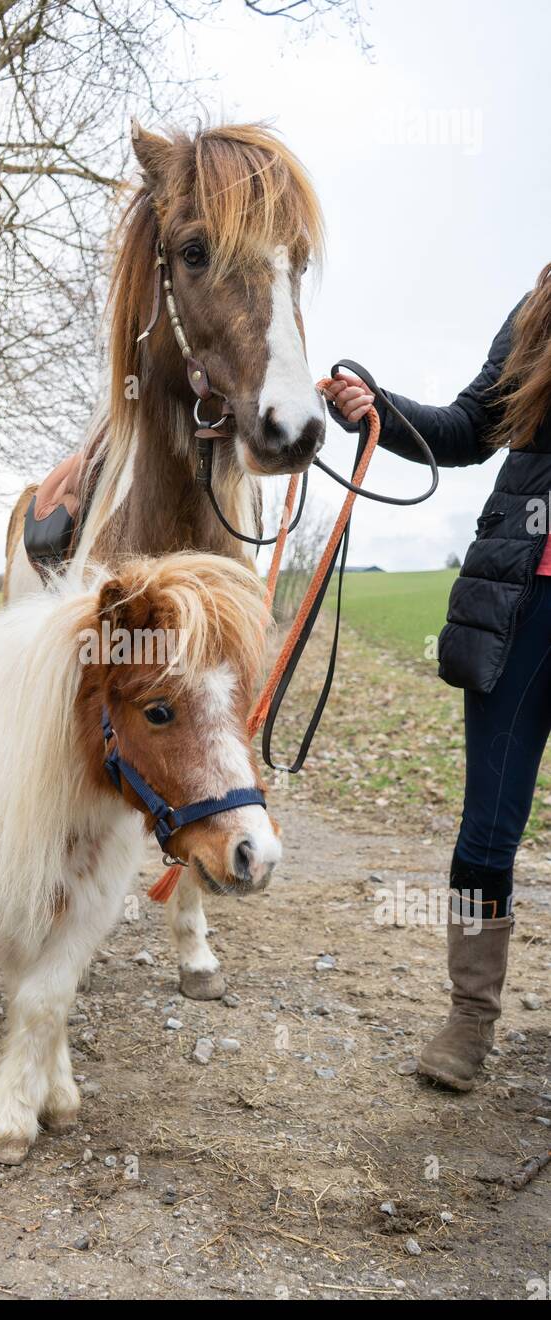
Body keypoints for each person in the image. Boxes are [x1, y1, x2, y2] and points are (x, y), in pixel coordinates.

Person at [325, 263, 551, 1090]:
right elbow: (466, 429)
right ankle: (470, 1016)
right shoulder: (539, 308)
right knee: (487, 829)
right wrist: (376, 411)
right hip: (520, 605)